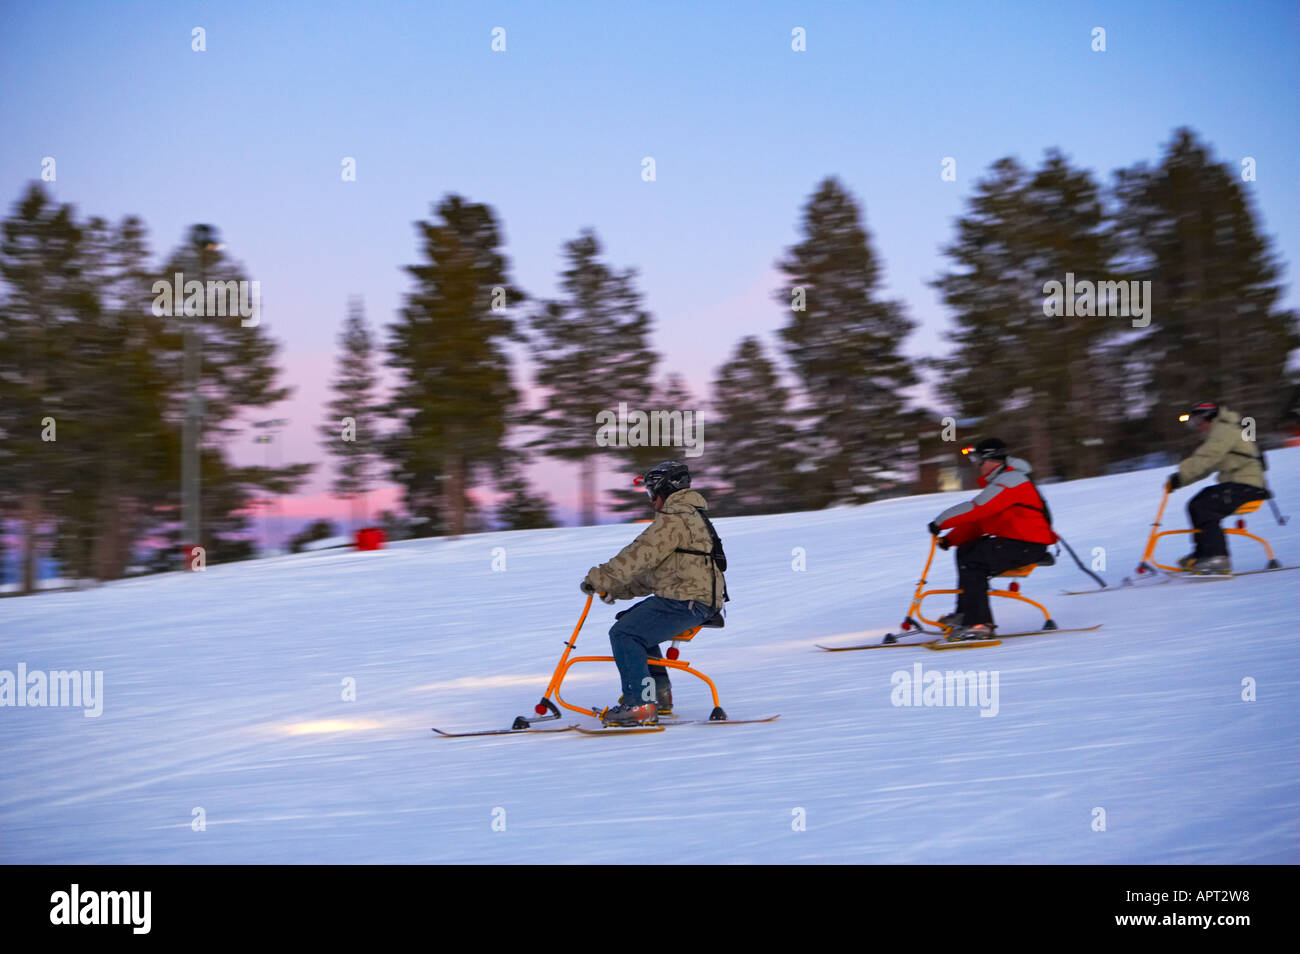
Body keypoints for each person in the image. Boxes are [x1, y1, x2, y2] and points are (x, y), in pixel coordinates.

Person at [580, 460, 727, 726]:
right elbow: (657, 576)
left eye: (651, 493)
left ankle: (639, 704)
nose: (651, 501)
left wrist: (600, 577)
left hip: (687, 602)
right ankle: (658, 694)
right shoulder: (690, 517)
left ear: (664, 490)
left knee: (625, 634)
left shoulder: (675, 520)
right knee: (633, 624)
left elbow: (639, 554)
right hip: (693, 599)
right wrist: (615, 588)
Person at [927, 438, 1057, 641]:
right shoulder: (1002, 481)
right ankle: (965, 615)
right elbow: (980, 521)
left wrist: (941, 521)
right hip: (1016, 542)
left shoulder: (1011, 480)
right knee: (966, 550)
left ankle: (980, 625)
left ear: (991, 460)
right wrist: (950, 539)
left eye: (979, 460)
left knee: (973, 563)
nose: (978, 465)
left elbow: (978, 507)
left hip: (1027, 545)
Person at [1167, 402, 1270, 574]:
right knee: (1196, 503)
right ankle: (1202, 555)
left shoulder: (1224, 430)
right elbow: (1207, 467)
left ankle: (1217, 557)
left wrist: (1181, 474)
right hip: (1238, 485)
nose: (1197, 427)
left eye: (1198, 422)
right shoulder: (1220, 431)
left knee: (1205, 506)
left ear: (1209, 418)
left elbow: (1207, 456)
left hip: (1248, 486)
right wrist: (1179, 481)